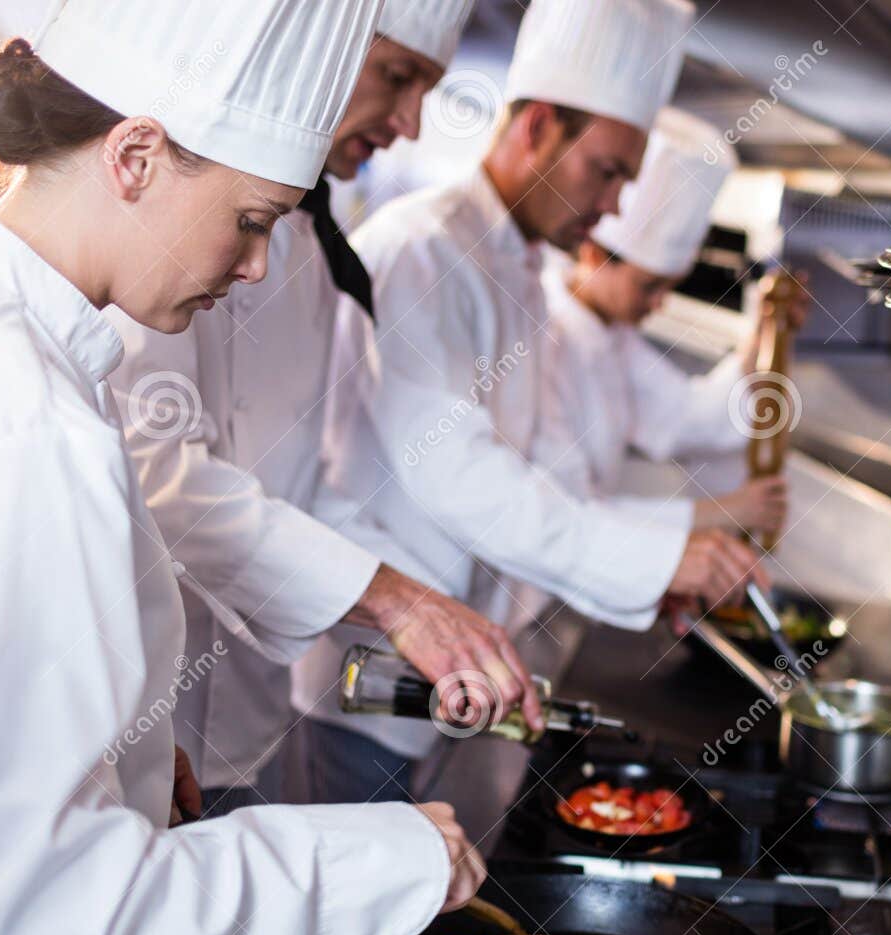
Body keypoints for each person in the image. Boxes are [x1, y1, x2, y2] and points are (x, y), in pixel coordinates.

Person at [0, 0, 482, 935]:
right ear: (134, 157)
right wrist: (387, 863)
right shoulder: (25, 424)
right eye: (254, 219)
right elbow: (44, 911)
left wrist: (111, 744)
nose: (257, 264)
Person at [292, 0, 768, 804]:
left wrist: (665, 554)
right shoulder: (423, 250)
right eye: (609, 170)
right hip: (372, 683)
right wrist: (653, 556)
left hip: (460, 670)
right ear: (537, 126)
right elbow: (456, 469)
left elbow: (544, 466)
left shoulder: (519, 273)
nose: (614, 205)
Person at [103, 0, 499, 822]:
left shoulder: (314, 251)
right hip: (137, 725)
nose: (410, 123)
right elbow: (162, 481)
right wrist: (391, 596)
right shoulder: (158, 221)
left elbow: (296, 479)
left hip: (249, 711)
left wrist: (426, 607)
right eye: (397, 77)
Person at [535, 108, 806, 539]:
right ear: (592, 253)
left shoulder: (612, 337)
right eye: (649, 286)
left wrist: (766, 336)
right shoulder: (541, 336)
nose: (658, 304)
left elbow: (685, 417)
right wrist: (722, 512)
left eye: (669, 288)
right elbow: (562, 510)